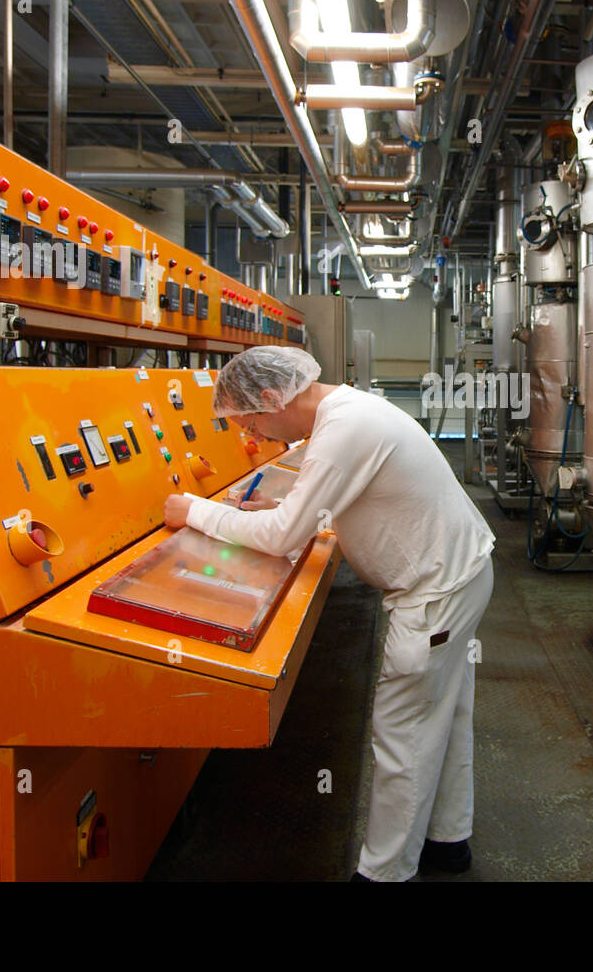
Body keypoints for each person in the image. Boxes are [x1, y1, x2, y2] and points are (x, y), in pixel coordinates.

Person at [164, 346, 495, 882]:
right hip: (462, 576)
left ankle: (384, 874)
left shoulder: (342, 430)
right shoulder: (348, 411)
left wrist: (195, 511)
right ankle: (448, 844)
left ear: (273, 397)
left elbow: (280, 539)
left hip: (435, 595)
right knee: (445, 716)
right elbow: (333, 502)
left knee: (404, 733)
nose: (256, 436)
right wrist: (285, 508)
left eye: (251, 420)